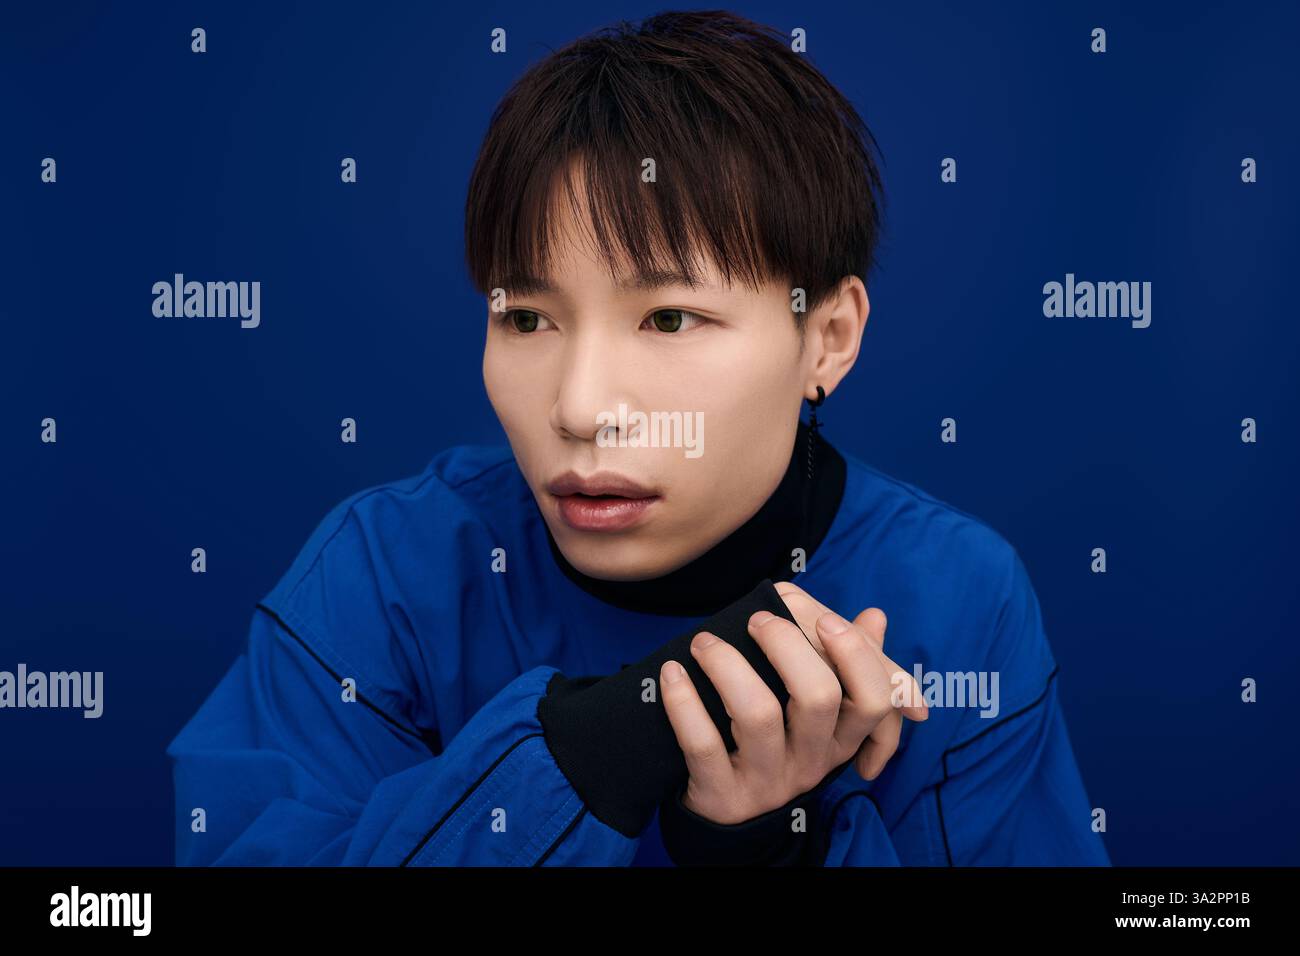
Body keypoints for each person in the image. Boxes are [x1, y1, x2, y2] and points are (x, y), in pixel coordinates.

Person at [166, 10, 1109, 867]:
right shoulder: (381, 575)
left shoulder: (957, 604)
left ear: (827, 338)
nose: (578, 408)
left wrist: (758, 852)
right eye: (527, 318)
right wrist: (599, 748)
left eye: (668, 319)